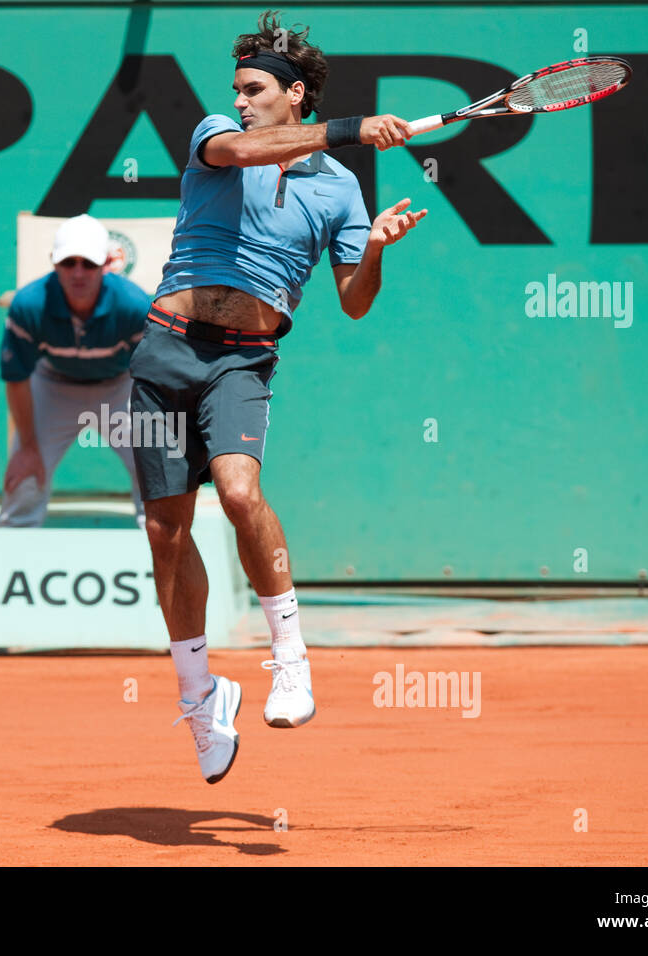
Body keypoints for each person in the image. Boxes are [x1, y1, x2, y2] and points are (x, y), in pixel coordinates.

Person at [131, 10, 427, 783]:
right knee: (166, 531)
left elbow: (354, 301)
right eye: (237, 88)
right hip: (164, 355)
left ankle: (290, 660)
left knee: (237, 490)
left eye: (255, 89)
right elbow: (242, 147)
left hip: (242, 362)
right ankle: (202, 701)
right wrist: (351, 128)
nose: (240, 100)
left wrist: (377, 253)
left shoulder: (338, 190)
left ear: (294, 94)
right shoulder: (218, 138)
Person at [0, 214, 153, 528]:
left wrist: (161, 438)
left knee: (159, 472)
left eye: (89, 264)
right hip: (52, 386)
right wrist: (27, 446)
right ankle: (9, 560)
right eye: (69, 263)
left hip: (121, 388)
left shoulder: (134, 306)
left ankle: (163, 566)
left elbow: (154, 378)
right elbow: (17, 380)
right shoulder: (28, 305)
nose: (78, 273)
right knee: (25, 478)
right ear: (54, 262)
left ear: (107, 264)